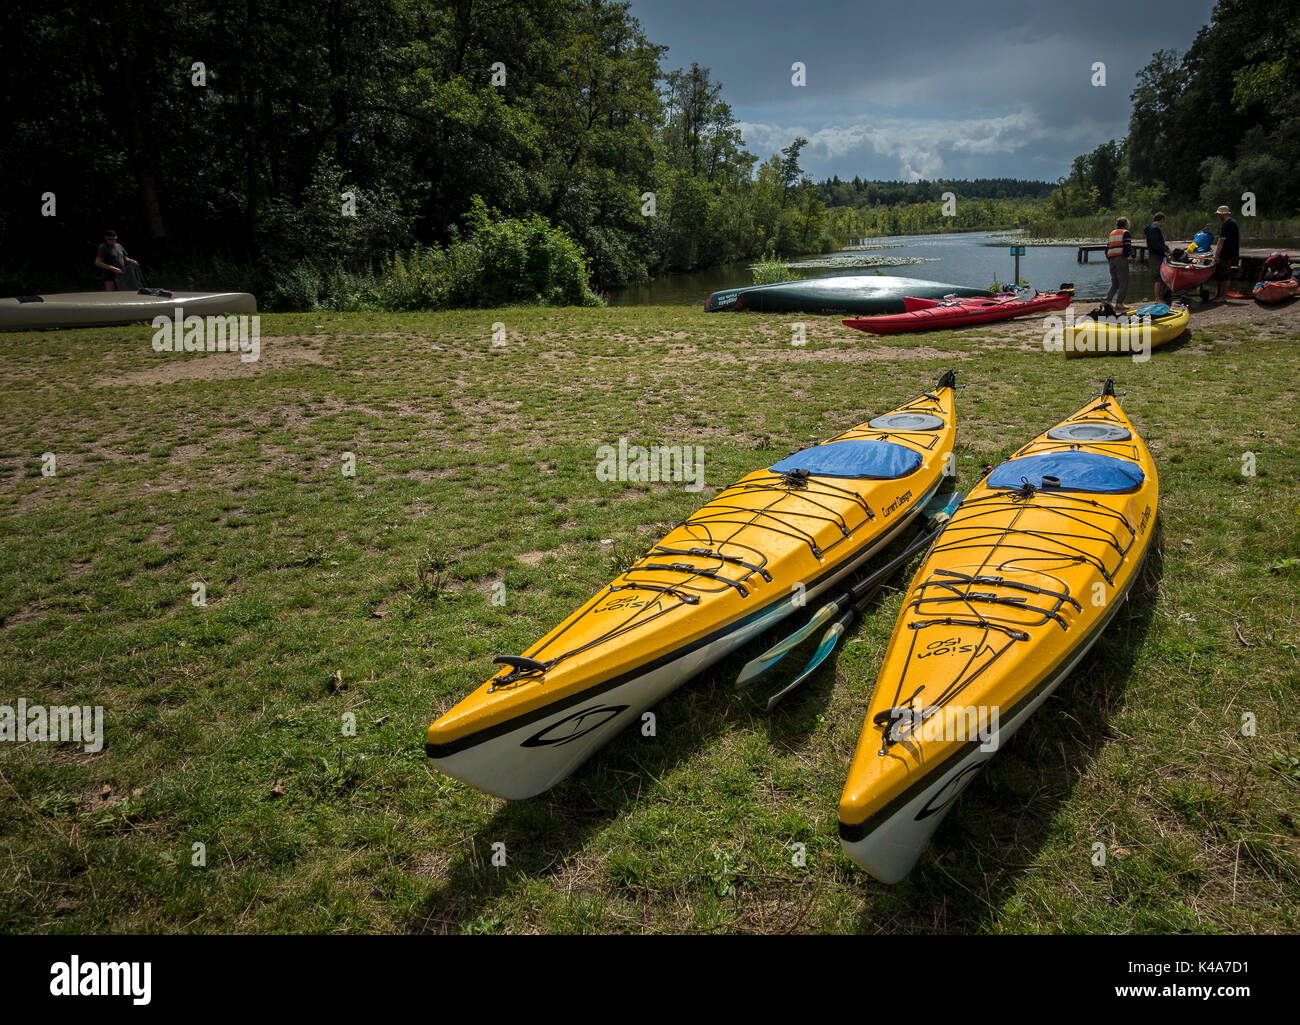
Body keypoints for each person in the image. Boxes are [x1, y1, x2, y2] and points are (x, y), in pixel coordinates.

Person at [1105, 216, 1134, 309]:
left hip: (1111, 259)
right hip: (1120, 259)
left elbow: (1107, 248)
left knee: (1115, 282)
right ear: (1126, 224)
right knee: (1123, 282)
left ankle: (1108, 301)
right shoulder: (1125, 233)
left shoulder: (1112, 233)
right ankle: (1119, 303)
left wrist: (1109, 259)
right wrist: (1133, 256)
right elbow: (1128, 246)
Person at [1212, 204, 1239, 301]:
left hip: (1226, 253)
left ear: (1222, 214)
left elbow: (1221, 241)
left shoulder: (1226, 224)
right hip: (1232, 252)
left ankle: (1221, 296)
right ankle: (1220, 295)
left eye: (1219, 214)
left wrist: (1216, 255)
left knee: (1223, 275)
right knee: (1224, 274)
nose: (1218, 216)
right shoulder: (1233, 222)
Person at [1144, 212, 1169, 301]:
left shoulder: (1151, 228)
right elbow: (1156, 244)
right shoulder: (1154, 229)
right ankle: (1157, 299)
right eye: (1163, 222)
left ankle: (1160, 298)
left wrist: (1166, 249)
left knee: (1161, 278)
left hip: (1155, 255)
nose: (1163, 224)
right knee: (1158, 278)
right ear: (1161, 220)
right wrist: (1164, 251)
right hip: (1156, 256)